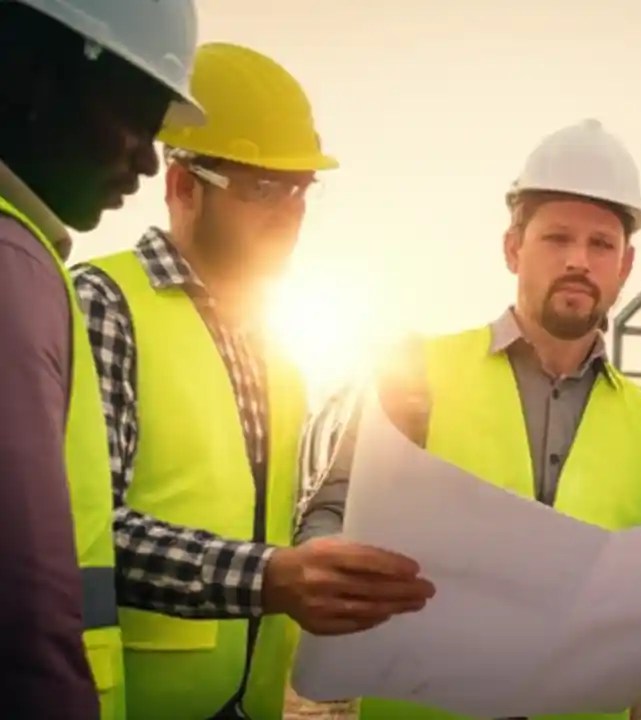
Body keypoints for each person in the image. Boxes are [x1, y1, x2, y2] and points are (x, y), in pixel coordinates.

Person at [295, 118, 641, 720]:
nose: (579, 260)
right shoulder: (417, 374)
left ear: (625, 266)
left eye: (602, 244)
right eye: (557, 239)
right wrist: (336, 566)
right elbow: (329, 512)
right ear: (512, 248)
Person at [69, 42, 433, 720]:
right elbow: (80, 537)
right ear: (181, 186)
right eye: (263, 187)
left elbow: (277, 522)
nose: (289, 213)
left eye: (300, 189)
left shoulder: (278, 350)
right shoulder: (103, 304)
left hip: (251, 705)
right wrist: (266, 578)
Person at [0, 1, 202, 717]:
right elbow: (22, 609)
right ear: (32, 75)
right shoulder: (15, 267)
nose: (149, 160)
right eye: (136, 116)